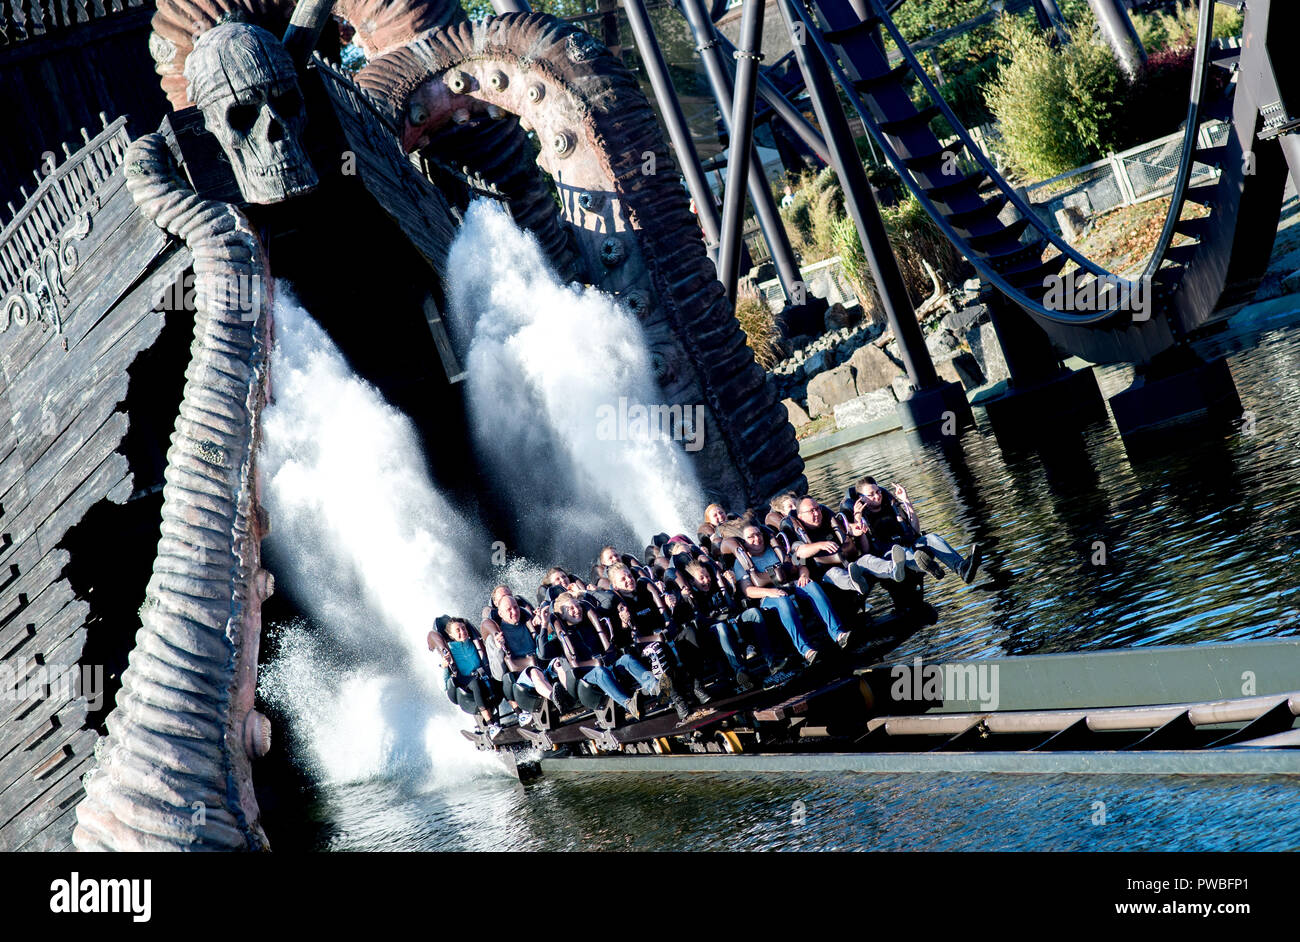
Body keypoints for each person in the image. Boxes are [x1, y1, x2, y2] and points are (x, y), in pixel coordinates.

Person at [600, 563, 705, 719]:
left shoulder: (645, 591)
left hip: (663, 633)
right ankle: (677, 699)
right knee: (658, 650)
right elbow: (620, 641)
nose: (629, 580)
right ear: (615, 585)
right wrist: (623, 624)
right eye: (623, 579)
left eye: (629, 575)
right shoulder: (617, 605)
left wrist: (670, 605)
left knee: (689, 633)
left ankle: (697, 686)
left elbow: (666, 616)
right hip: (643, 645)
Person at [732, 523, 849, 663]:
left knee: (812, 587)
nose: (756, 538)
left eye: (758, 534)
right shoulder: (741, 563)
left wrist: (804, 575)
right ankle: (806, 650)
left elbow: (801, 564)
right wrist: (771, 592)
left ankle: (838, 634)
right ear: (744, 542)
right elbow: (748, 590)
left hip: (791, 584)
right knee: (783, 600)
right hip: (768, 595)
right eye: (751, 537)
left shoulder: (777, 549)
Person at [683, 559, 790, 690]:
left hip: (732, 618)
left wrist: (731, 584)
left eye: (707, 576)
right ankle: (741, 671)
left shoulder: (718, 585)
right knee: (721, 627)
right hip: (713, 629)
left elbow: (735, 600)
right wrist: (686, 598)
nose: (706, 580)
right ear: (693, 581)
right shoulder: (692, 597)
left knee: (754, 613)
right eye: (701, 578)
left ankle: (772, 662)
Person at [852, 478, 982, 584]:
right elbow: (865, 551)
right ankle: (931, 568)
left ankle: (961, 568)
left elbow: (914, 530)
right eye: (871, 495)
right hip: (890, 554)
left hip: (909, 544)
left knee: (932, 538)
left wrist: (906, 501)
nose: (877, 496)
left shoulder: (890, 505)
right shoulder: (860, 516)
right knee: (903, 552)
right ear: (861, 498)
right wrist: (858, 520)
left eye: (878, 491)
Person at [788, 496, 905, 604]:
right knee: (836, 573)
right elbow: (798, 551)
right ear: (800, 515)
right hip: (826, 572)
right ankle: (856, 584)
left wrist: (858, 528)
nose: (816, 513)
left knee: (867, 559)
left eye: (817, 509)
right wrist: (819, 545)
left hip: (848, 564)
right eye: (811, 511)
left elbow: (849, 528)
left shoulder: (829, 521)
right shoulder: (798, 533)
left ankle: (894, 569)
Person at [481, 592, 560, 727]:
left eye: (516, 607)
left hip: (543, 665)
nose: (514, 612)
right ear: (500, 614)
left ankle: (571, 696)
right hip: (521, 676)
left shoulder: (528, 623)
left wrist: (544, 627)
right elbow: (499, 675)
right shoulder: (495, 638)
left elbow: (545, 646)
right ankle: (556, 698)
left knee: (560, 663)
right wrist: (499, 648)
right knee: (534, 672)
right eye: (509, 610)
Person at [434, 617, 502, 738]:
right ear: (450, 634)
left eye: (463, 628)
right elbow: (442, 686)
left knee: (499, 674)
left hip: (483, 677)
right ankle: (490, 724)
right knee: (475, 683)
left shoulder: (474, 643)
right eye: (458, 630)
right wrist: (444, 667)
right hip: (465, 685)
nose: (462, 632)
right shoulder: (449, 650)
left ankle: (519, 712)